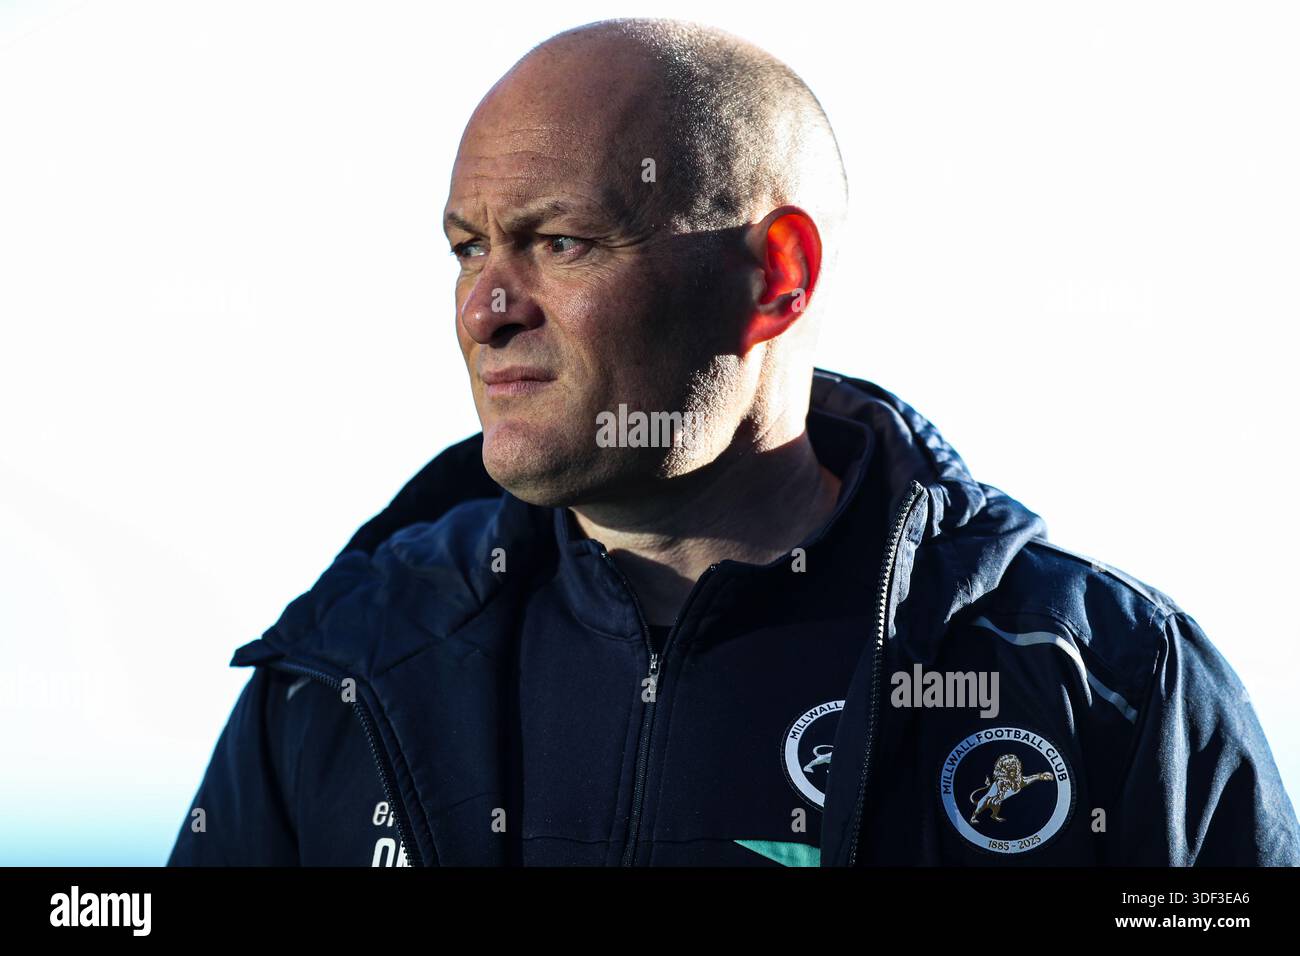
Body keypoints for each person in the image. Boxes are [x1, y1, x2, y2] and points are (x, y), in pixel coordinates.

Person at [167, 17, 1300, 867]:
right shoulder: (344, 671)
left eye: (558, 242)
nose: (486, 308)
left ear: (776, 276)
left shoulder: (1099, 680)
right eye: (468, 250)